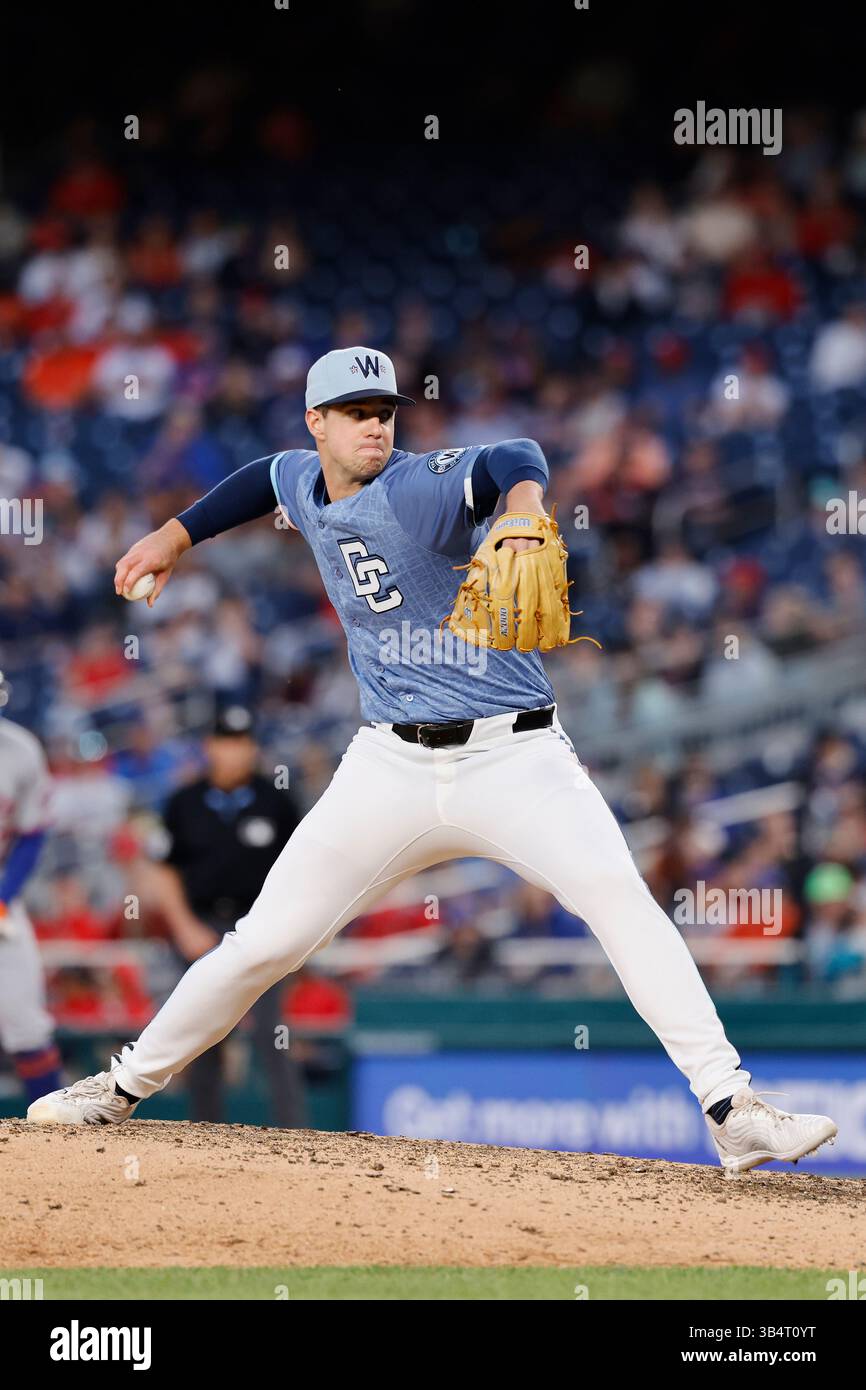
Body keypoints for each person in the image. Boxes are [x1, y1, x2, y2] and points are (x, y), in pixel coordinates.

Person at [28, 346, 838, 1176]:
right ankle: (120, 1088)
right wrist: (173, 534)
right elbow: (263, 477)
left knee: (619, 899)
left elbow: (515, 457)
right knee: (263, 943)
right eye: (354, 411)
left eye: (384, 408)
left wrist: (524, 508)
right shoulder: (304, 481)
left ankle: (731, 1107)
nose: (375, 422)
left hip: (515, 756)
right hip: (388, 767)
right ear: (318, 424)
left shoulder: (417, 487)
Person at [144, 703, 306, 1126]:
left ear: (253, 749)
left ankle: (294, 1138)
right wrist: (183, 927)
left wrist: (287, 928)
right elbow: (163, 868)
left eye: (242, 743)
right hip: (201, 929)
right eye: (226, 742)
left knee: (273, 1036)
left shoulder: (278, 802)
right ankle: (204, 1135)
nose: (234, 752)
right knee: (203, 1037)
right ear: (210, 747)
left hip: (262, 927)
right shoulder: (184, 802)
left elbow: (303, 866)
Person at [0, 673, 63, 1107]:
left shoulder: (19, 750)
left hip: (1, 897)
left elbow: (32, 832)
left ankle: (56, 1138)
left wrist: (3, 895)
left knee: (26, 1023)